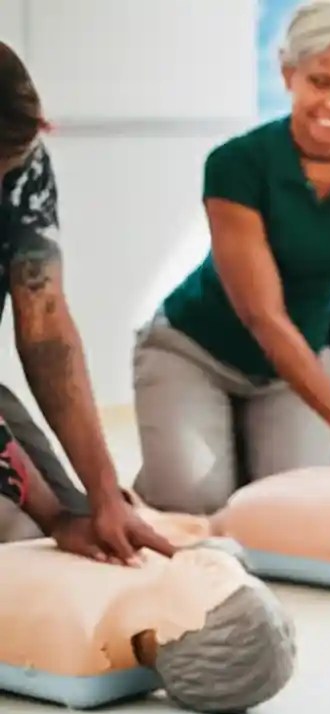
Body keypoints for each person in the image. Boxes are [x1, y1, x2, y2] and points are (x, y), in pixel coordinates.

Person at [132, 0, 330, 516]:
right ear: (288, 73)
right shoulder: (235, 164)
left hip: (294, 371)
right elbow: (262, 315)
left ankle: (241, 452)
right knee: (194, 499)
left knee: (293, 508)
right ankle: (180, 468)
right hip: (194, 353)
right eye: (320, 81)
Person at [0, 42, 174, 563]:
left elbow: (46, 324)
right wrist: (50, 515)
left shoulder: (22, 156)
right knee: (22, 531)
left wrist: (101, 494)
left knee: (91, 527)